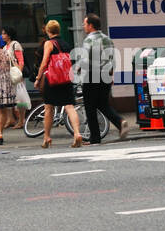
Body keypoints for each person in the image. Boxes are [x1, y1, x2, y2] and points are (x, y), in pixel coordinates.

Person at [78, 14, 129, 145]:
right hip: (105, 75)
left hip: (91, 76)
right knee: (103, 104)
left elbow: (86, 59)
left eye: (85, 24)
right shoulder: (108, 39)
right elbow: (112, 58)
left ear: (90, 25)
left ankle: (95, 138)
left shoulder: (89, 40)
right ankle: (120, 122)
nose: (84, 26)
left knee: (90, 107)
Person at [35, 20, 83, 150]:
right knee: (69, 106)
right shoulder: (66, 44)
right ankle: (77, 133)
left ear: (47, 31)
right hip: (66, 79)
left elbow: (45, 62)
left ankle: (47, 137)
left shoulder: (49, 43)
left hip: (53, 79)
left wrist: (38, 78)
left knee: (49, 108)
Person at [2, 26, 29, 129]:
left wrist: (19, 73)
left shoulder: (15, 45)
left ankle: (22, 120)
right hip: (8, 75)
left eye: (4, 33)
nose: (2, 36)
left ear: (9, 35)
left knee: (20, 99)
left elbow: (20, 60)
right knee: (9, 98)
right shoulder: (5, 47)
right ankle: (10, 119)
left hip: (16, 75)